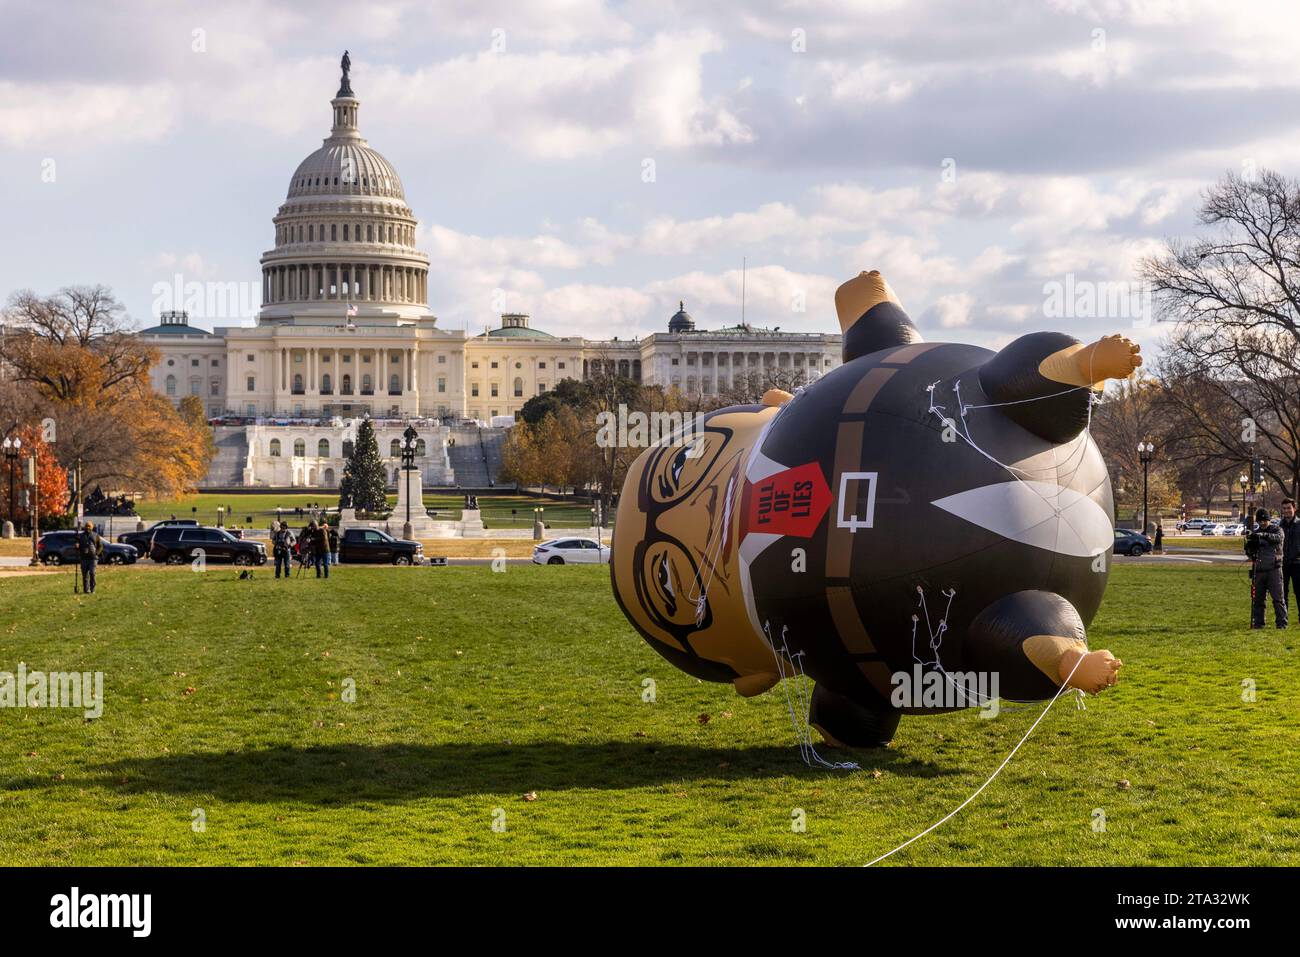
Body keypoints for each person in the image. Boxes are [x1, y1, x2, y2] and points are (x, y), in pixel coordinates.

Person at [1245, 508, 1287, 629]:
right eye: (1260, 521)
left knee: (1278, 599)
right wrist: (1249, 547)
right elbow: (1249, 553)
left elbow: (1278, 538)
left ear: (1269, 520)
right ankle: (1258, 623)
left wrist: (1263, 535)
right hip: (1259, 570)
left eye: (1265, 520)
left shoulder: (1277, 530)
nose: (1262, 523)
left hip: (1274, 569)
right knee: (1258, 599)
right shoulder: (1255, 533)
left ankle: (1281, 624)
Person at [1281, 498, 1299, 620]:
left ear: (1294, 509)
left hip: (1298, 564)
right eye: (1284, 508)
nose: (1286, 510)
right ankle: (1283, 618)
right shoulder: (1279, 526)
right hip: (1283, 564)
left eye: (1289, 508)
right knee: (1283, 593)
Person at [75, 521, 104, 594]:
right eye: (86, 526)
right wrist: (77, 546)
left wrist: (96, 553)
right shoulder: (80, 536)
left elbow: (100, 546)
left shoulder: (96, 535)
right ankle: (86, 590)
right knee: (85, 575)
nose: (88, 527)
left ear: (92, 527)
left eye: (89, 526)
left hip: (93, 558)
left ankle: (92, 589)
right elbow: (77, 545)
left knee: (92, 573)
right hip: (84, 558)